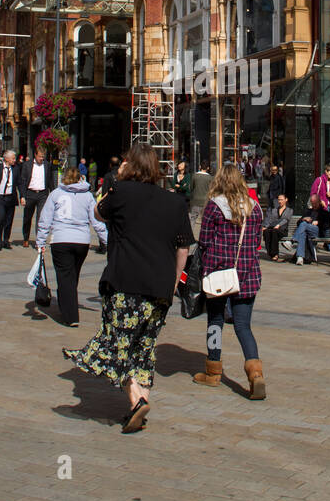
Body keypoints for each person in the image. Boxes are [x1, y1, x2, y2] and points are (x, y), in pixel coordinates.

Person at [63, 142, 194, 434]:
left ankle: (136, 400)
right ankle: (141, 403)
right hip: (160, 286)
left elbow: (97, 213)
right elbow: (184, 247)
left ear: (130, 165)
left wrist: (117, 181)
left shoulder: (120, 193)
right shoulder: (175, 202)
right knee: (144, 348)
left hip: (124, 282)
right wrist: (175, 279)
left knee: (119, 345)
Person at [194, 164, 267, 398]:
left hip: (218, 274)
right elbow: (256, 240)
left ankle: (213, 372)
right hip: (248, 274)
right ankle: (255, 374)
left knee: (215, 320)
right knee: (243, 326)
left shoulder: (215, 207)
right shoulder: (255, 208)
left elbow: (204, 240)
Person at [37, 164, 108, 327]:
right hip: (81, 241)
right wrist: (107, 240)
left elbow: (45, 219)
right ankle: (65, 302)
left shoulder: (56, 194)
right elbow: (96, 222)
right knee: (72, 275)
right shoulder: (87, 196)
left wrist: (41, 241)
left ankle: (71, 315)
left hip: (61, 239)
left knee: (65, 276)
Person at [18, 148, 54, 247]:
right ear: (35, 155)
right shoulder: (27, 165)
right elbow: (23, 181)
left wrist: (53, 193)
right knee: (27, 218)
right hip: (30, 193)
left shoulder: (47, 165)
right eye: (40, 157)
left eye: (43, 157)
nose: (41, 159)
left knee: (41, 218)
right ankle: (26, 238)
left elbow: (50, 180)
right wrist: (22, 196)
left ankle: (39, 241)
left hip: (42, 194)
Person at [0, 149, 19, 249]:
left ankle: (6, 240)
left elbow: (20, 183)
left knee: (9, 220)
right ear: (6, 159)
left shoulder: (16, 169)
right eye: (13, 158)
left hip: (11, 197)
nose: (15, 160)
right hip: (0, 197)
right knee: (1, 218)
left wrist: (22, 196)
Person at [310, 164, 330, 253]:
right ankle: (329, 246)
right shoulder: (319, 180)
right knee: (324, 226)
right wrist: (320, 201)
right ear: (326, 171)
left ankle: (326, 245)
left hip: (328, 207)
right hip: (320, 208)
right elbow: (313, 193)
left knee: (324, 226)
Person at [293, 193, 328, 265]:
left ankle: (292, 241)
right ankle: (300, 257)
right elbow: (298, 223)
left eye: (315, 203)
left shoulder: (324, 212)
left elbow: (327, 225)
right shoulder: (308, 211)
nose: (314, 205)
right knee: (303, 232)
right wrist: (304, 219)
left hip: (317, 231)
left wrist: (318, 222)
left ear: (319, 202)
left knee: (304, 226)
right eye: (312, 203)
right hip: (306, 230)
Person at [263, 192, 293, 261]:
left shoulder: (289, 210)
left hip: (282, 229)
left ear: (286, 200)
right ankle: (270, 252)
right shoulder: (274, 210)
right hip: (274, 228)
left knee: (274, 232)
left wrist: (278, 225)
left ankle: (275, 253)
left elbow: (286, 220)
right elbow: (271, 220)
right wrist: (266, 226)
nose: (280, 201)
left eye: (281, 200)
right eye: (279, 200)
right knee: (266, 232)